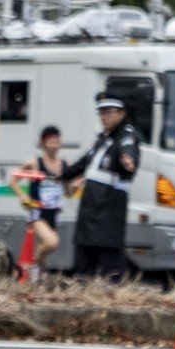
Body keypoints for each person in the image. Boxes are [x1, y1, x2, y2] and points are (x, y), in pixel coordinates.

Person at [62, 93, 141, 281]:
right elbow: (83, 164)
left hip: (108, 206)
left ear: (121, 113)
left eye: (108, 112)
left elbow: (128, 150)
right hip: (90, 206)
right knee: (84, 255)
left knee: (109, 258)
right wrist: (60, 175)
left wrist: (129, 160)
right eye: (101, 113)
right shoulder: (102, 139)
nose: (104, 117)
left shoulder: (126, 135)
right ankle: (82, 288)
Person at [8, 125, 67, 280]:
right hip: (38, 212)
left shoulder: (64, 165)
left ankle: (34, 278)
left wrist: (76, 185)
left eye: (57, 142)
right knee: (52, 243)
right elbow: (13, 180)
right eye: (51, 142)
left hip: (54, 213)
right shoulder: (34, 163)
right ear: (43, 144)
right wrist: (23, 197)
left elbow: (68, 191)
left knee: (44, 247)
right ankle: (34, 266)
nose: (54, 145)